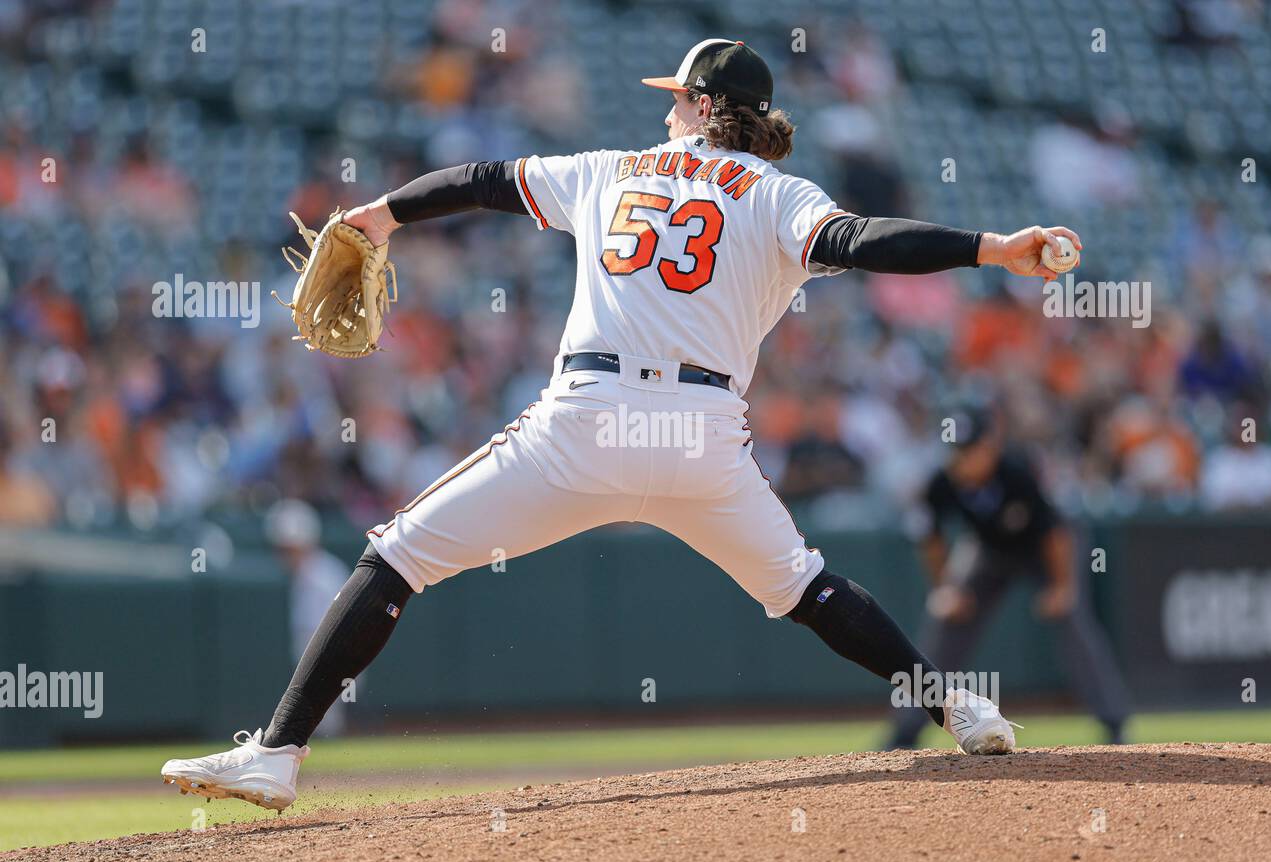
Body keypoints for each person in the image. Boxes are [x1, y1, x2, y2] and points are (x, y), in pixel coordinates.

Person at [162, 39, 1081, 809]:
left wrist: (380, 214)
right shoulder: (775, 194)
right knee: (806, 588)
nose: (668, 110)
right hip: (702, 439)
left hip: (587, 423)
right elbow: (864, 240)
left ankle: (278, 754)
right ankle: (956, 706)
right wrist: (992, 248)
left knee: (395, 557)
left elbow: (481, 180)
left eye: (679, 98)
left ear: (702, 105)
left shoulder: (609, 171)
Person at [885, 408, 1132, 750]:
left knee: (1072, 620)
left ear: (990, 445)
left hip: (1044, 550)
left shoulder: (1017, 471)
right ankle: (905, 731)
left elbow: (1055, 532)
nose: (964, 459)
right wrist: (947, 588)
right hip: (988, 551)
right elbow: (931, 537)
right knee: (945, 623)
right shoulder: (943, 481)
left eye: (970, 449)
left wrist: (1063, 587)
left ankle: (1114, 723)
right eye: (957, 451)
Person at [264, 499, 353, 737]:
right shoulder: (303, 573)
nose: (285, 554)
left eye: (291, 548)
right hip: (312, 650)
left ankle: (333, 770)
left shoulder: (324, 573)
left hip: (333, 652)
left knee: (323, 724)